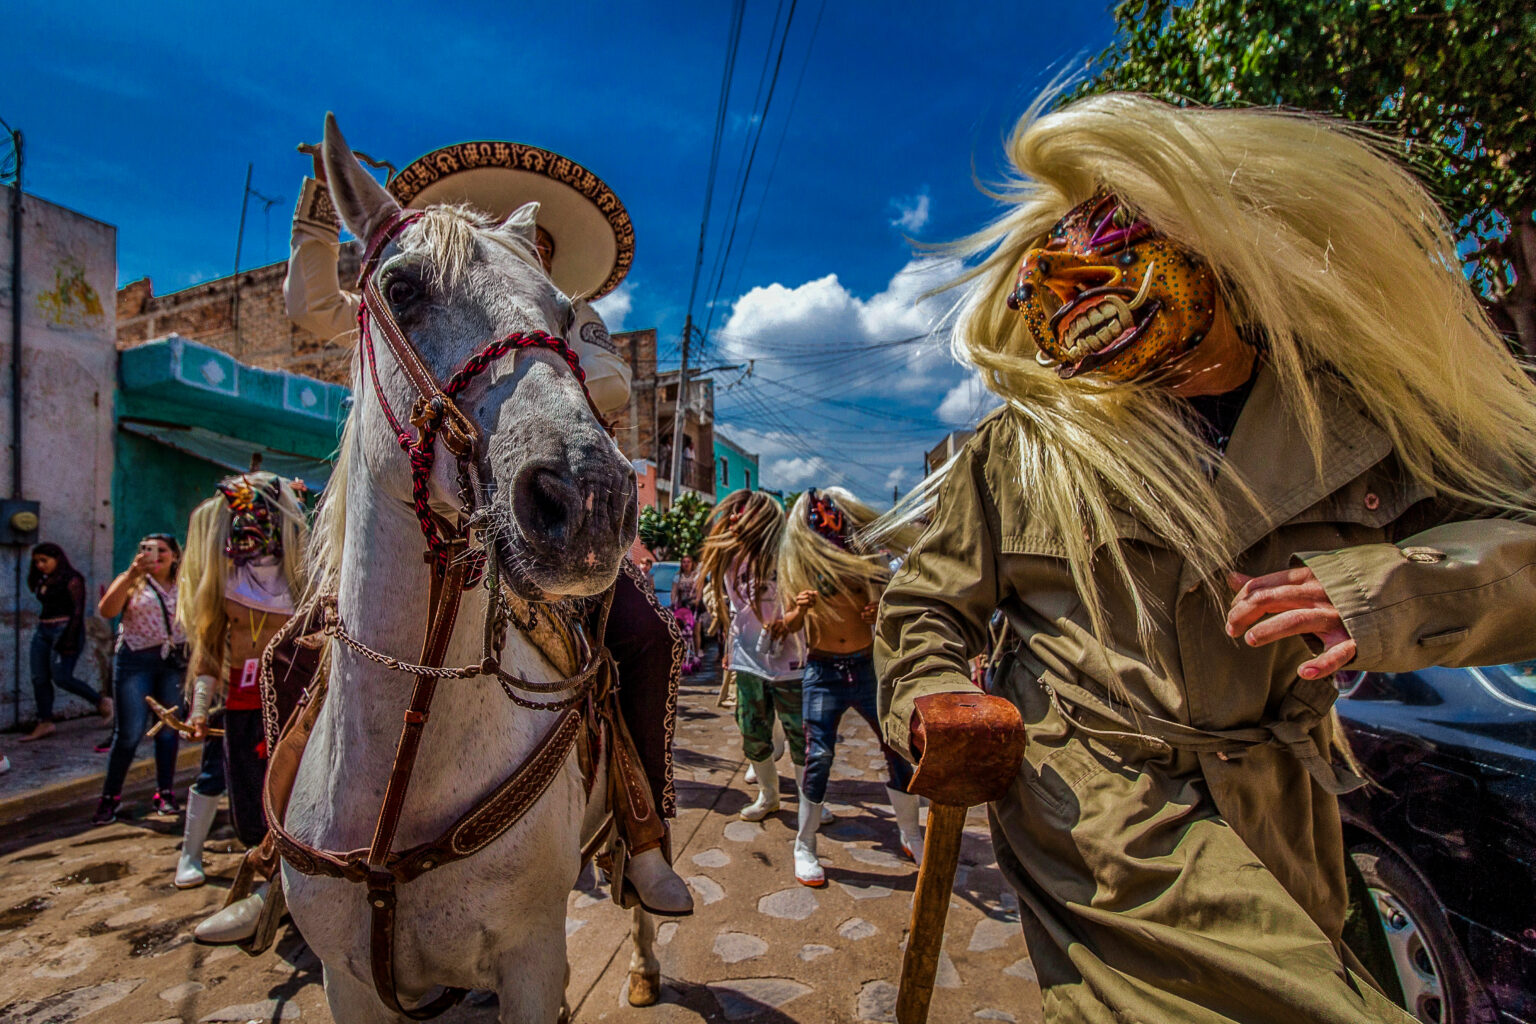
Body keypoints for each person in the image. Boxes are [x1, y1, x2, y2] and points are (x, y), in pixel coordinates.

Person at [874, 93, 1536, 1024]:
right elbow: (923, 607)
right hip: (1094, 806)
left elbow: (1518, 535)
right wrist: (933, 694)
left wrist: (1387, 591)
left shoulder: (1361, 413)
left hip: (1285, 800)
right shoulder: (1019, 449)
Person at [284, 143, 691, 919]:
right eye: (495, 226)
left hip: (545, 502)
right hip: (422, 512)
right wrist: (315, 216)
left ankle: (643, 832)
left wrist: (548, 351)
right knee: (288, 656)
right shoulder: (432, 284)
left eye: (527, 238)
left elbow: (607, 381)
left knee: (644, 636)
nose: (512, 238)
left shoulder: (570, 315)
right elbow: (312, 308)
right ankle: (277, 848)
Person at [175, 473, 309, 938]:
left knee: (297, 799)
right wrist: (197, 710)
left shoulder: (306, 581)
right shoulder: (225, 582)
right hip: (240, 706)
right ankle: (266, 881)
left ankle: (285, 887)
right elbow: (210, 652)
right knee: (248, 802)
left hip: (296, 706)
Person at [776, 488, 920, 887]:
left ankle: (911, 834)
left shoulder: (865, 562)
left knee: (897, 748)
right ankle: (804, 845)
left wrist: (880, 609)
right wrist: (799, 610)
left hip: (867, 666)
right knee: (817, 756)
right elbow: (785, 626)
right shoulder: (799, 566)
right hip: (822, 671)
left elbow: (894, 605)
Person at [699, 491, 808, 822]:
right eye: (733, 514)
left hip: (793, 664)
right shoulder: (728, 557)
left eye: (742, 514)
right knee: (751, 730)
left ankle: (810, 802)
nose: (735, 520)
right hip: (748, 661)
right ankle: (769, 796)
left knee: (803, 735)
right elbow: (726, 603)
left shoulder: (790, 555)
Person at [93, 534, 185, 824]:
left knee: (168, 730)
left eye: (162, 551)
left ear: (174, 555)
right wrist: (132, 573)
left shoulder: (186, 583)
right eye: (148, 550)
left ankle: (165, 793)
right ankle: (110, 798)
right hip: (135, 661)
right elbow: (107, 611)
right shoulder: (132, 580)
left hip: (174, 662)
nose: (155, 556)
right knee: (130, 732)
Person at [22, 542, 110, 741]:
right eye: (36, 562)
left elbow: (77, 612)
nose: (40, 565)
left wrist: (69, 639)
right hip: (43, 630)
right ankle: (45, 721)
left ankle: (101, 702)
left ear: (57, 559)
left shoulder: (72, 579)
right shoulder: (43, 580)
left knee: (62, 677)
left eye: (44, 560)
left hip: (65, 630)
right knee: (39, 677)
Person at [670, 553, 703, 671]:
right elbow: (674, 591)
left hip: (694, 607)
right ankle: (683, 654)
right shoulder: (677, 576)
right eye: (684, 562)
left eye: (688, 562)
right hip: (682, 607)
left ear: (692, 563)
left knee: (696, 631)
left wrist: (697, 601)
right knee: (682, 632)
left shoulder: (697, 576)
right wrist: (673, 603)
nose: (686, 564)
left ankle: (697, 654)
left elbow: (699, 591)